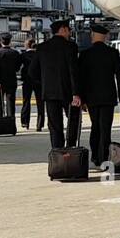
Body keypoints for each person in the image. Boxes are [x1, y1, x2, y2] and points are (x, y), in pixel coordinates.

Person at [78, 24, 120, 166]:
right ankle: (103, 157)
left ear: (93, 36)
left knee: (95, 126)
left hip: (91, 98)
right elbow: (119, 77)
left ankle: (95, 155)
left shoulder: (85, 54)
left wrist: (81, 99)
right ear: (105, 36)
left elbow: (80, 78)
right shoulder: (112, 53)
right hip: (108, 97)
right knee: (105, 127)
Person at [29, 19, 81, 149]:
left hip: (49, 92)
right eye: (68, 29)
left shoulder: (42, 47)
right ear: (63, 29)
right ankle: (70, 147)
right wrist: (76, 93)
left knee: (54, 124)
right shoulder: (71, 47)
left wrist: (45, 82)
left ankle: (57, 151)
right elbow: (73, 71)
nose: (69, 32)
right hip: (68, 92)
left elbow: (32, 71)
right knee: (73, 120)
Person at [0, 34, 22, 119]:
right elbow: (17, 68)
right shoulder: (15, 53)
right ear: (10, 42)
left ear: (1, 42)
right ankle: (11, 122)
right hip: (11, 80)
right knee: (11, 102)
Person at [20, 38, 44, 131]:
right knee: (40, 103)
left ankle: (25, 122)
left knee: (26, 101)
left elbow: (19, 67)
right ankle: (40, 124)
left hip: (27, 81)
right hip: (39, 81)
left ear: (27, 45)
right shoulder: (40, 55)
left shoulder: (23, 55)